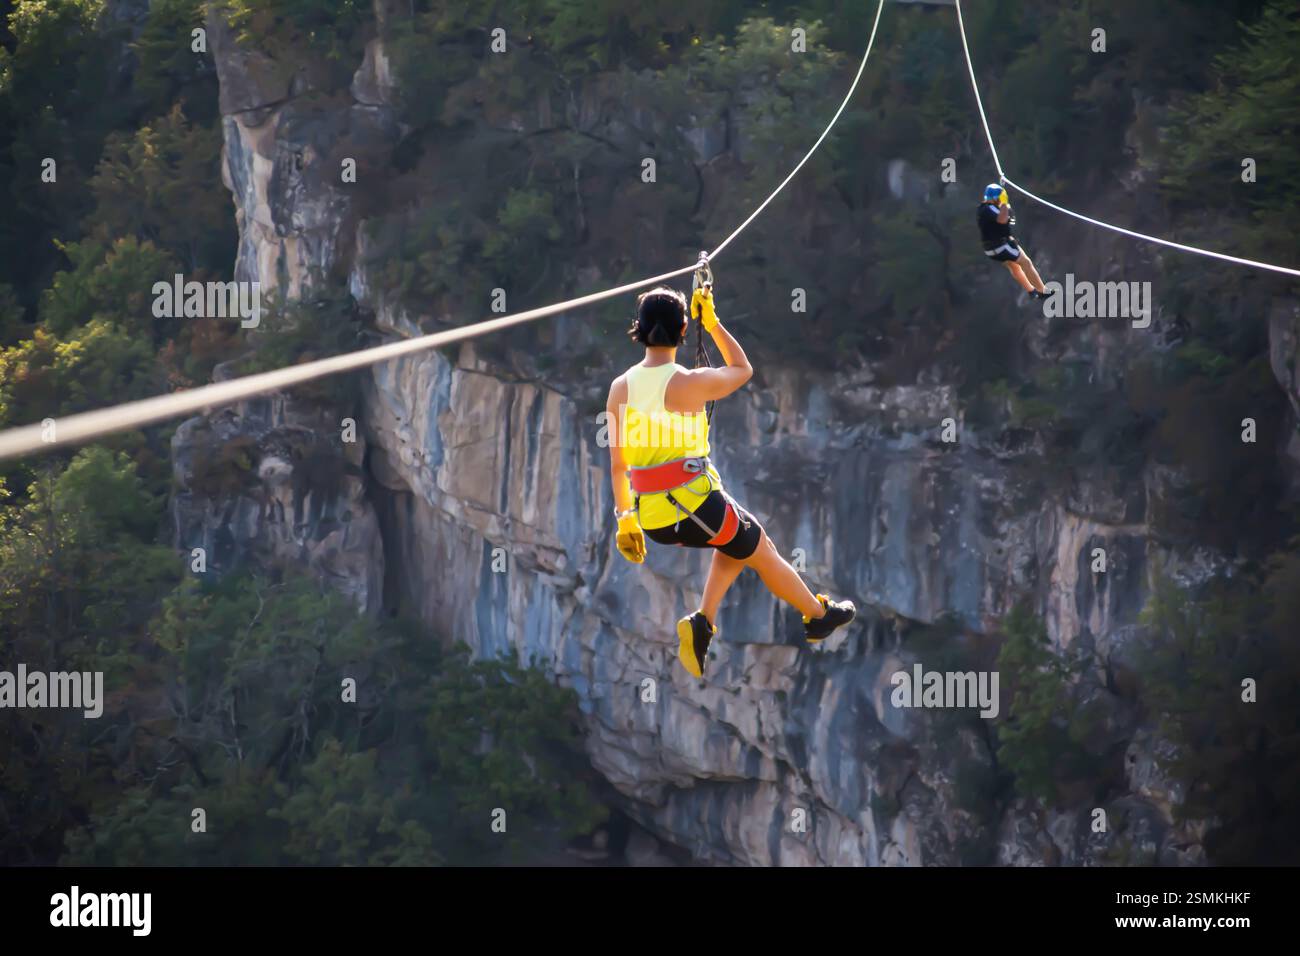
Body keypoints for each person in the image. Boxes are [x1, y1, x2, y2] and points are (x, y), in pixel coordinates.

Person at [605, 283, 855, 679]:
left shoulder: (620, 388)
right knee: (762, 548)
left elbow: (619, 465)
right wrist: (714, 321)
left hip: (653, 519)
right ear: (683, 328)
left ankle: (703, 621)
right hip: (694, 505)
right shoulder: (691, 381)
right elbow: (742, 369)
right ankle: (817, 615)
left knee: (737, 542)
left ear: (639, 329)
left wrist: (625, 520)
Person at [978, 182, 1048, 300]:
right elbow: (1002, 220)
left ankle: (1031, 291)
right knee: (1026, 262)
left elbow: (1001, 224)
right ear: (997, 198)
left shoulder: (982, 209)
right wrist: (1004, 203)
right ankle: (1042, 291)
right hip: (1000, 246)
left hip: (991, 249)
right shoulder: (990, 209)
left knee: (1014, 266)